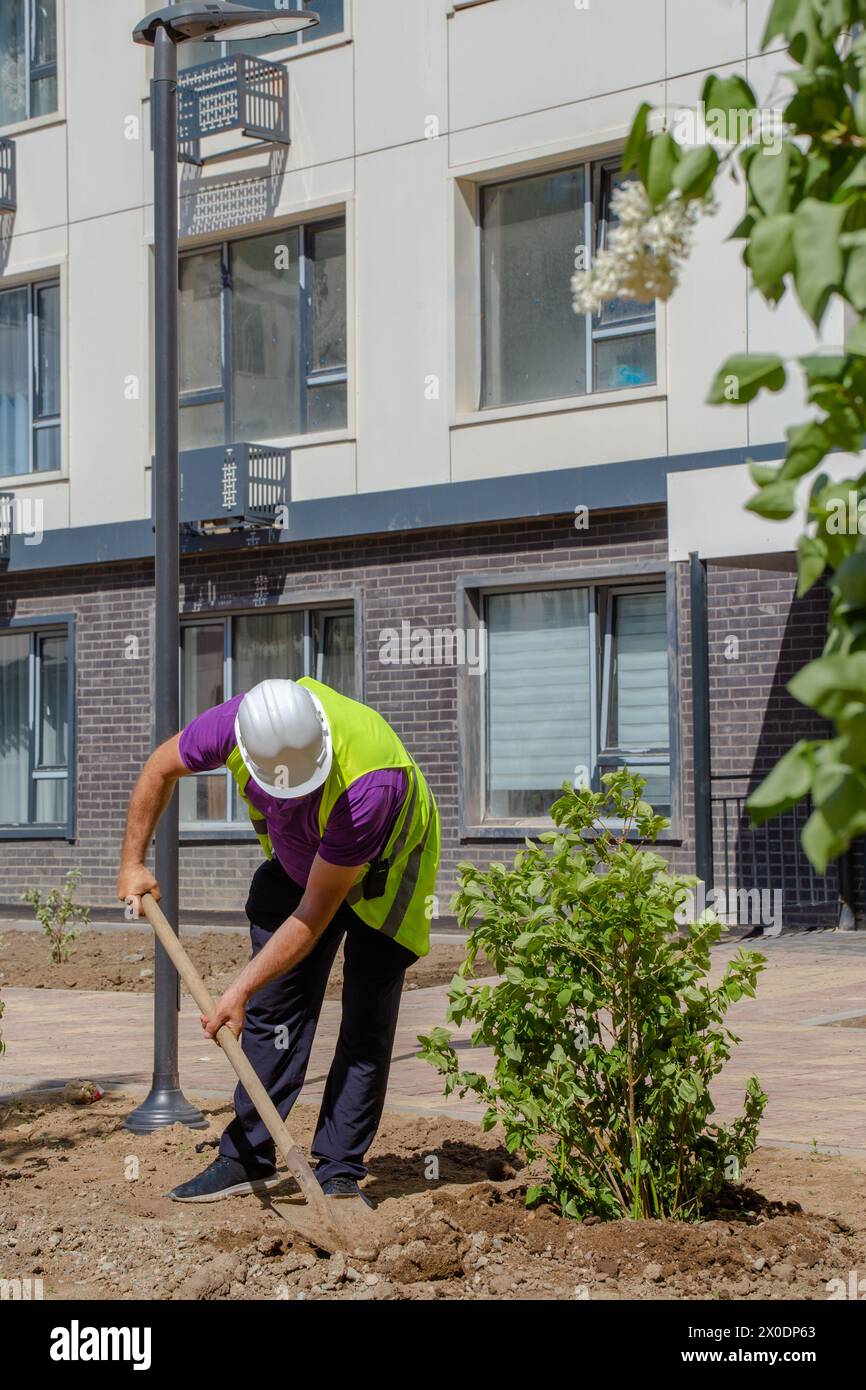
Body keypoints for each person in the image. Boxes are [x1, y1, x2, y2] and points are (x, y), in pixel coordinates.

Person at [116, 676, 440, 1205]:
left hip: (390, 868)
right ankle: (247, 1158)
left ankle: (338, 1169)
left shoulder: (370, 785)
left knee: (366, 1017)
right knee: (275, 1010)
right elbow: (160, 766)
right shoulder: (234, 725)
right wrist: (131, 863)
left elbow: (313, 914)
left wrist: (236, 989)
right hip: (302, 859)